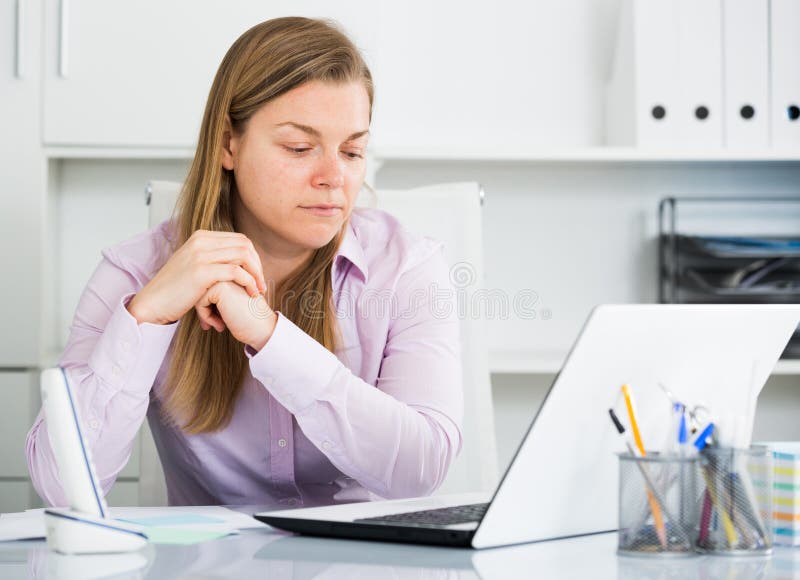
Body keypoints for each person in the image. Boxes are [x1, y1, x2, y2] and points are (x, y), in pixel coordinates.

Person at [26, 17, 463, 508]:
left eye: (352, 150)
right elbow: (62, 489)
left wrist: (269, 335)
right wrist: (145, 319)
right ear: (228, 143)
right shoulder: (135, 274)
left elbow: (422, 471)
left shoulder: (408, 268)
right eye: (300, 148)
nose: (334, 177)